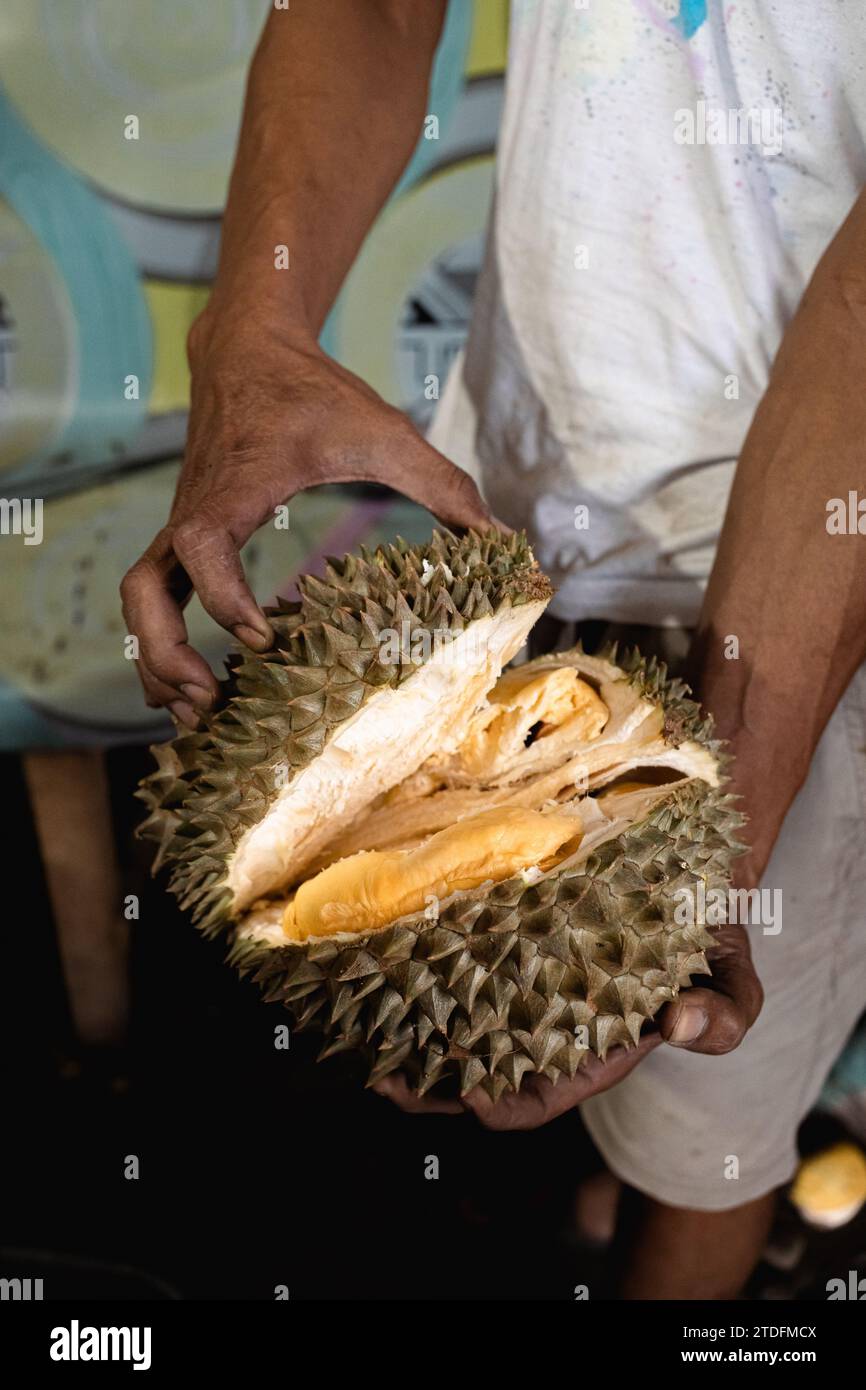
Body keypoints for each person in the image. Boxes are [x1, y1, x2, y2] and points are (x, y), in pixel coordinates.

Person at [121, 2, 866, 1299]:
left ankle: (686, 1223)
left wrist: (737, 752)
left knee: (707, 1126)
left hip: (821, 559)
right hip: (520, 476)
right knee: (627, 1068)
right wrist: (253, 333)